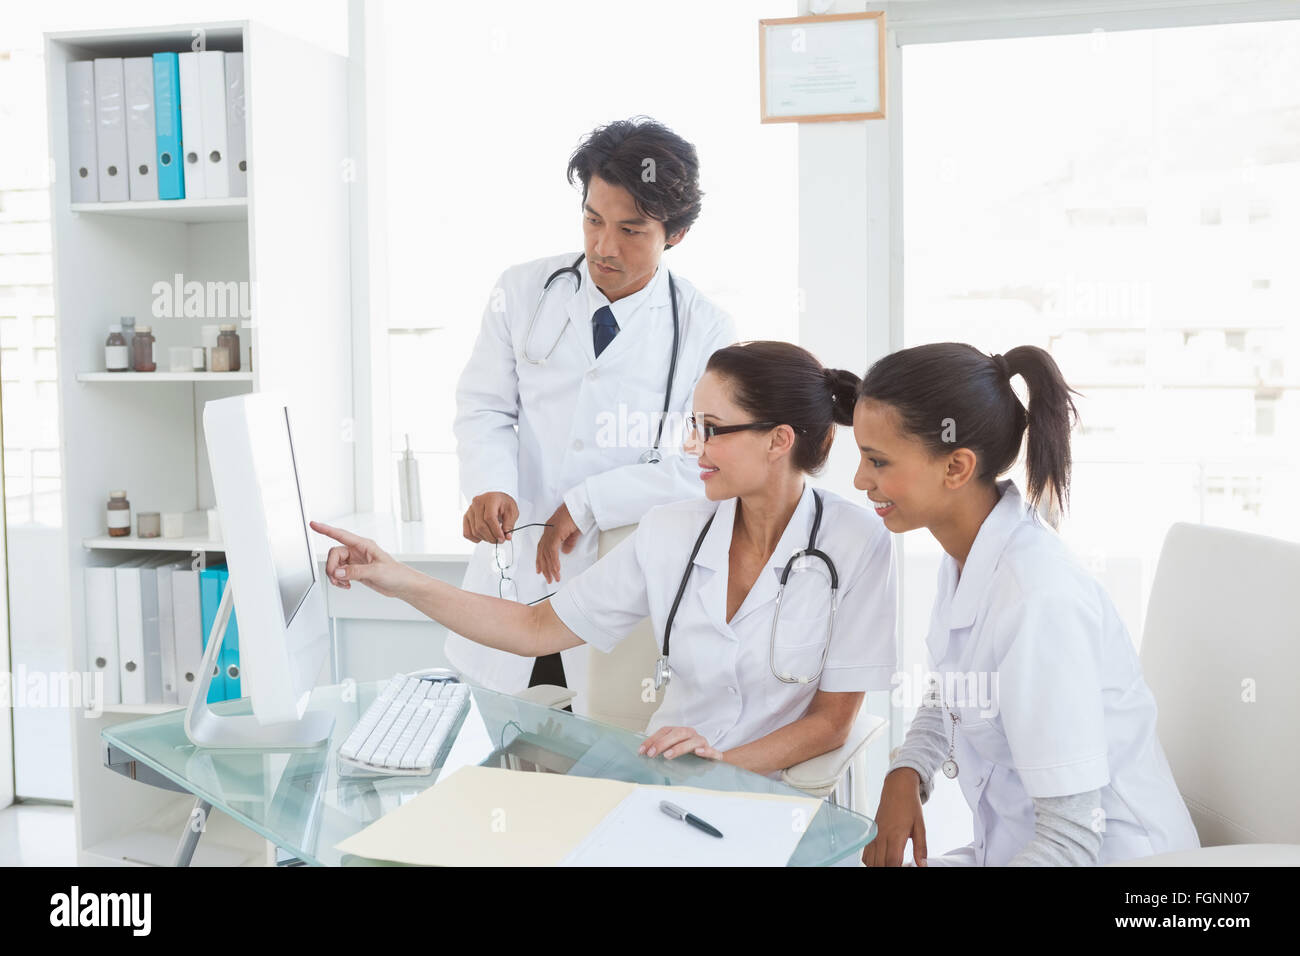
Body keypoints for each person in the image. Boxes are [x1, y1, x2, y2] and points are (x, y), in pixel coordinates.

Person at [313, 342, 896, 777]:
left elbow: (830, 722)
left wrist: (724, 764)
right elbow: (533, 628)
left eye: (711, 429)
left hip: (777, 794)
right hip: (666, 781)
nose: (692, 446)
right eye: (692, 426)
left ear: (779, 441)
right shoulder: (671, 531)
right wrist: (396, 578)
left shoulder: (856, 544)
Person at [852, 342, 1200, 866]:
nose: (860, 479)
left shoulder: (1040, 599)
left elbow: (1072, 840)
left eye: (877, 460)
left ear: (956, 467)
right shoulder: (969, 557)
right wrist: (908, 769)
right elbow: (956, 686)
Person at [449, 117, 736, 712]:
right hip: (514, 572)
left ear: (675, 234)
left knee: (601, 761)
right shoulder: (522, 291)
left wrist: (585, 503)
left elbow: (702, 465)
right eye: (593, 219)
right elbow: (484, 406)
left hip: (617, 586)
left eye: (631, 229)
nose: (605, 246)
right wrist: (490, 484)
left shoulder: (705, 330)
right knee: (502, 766)